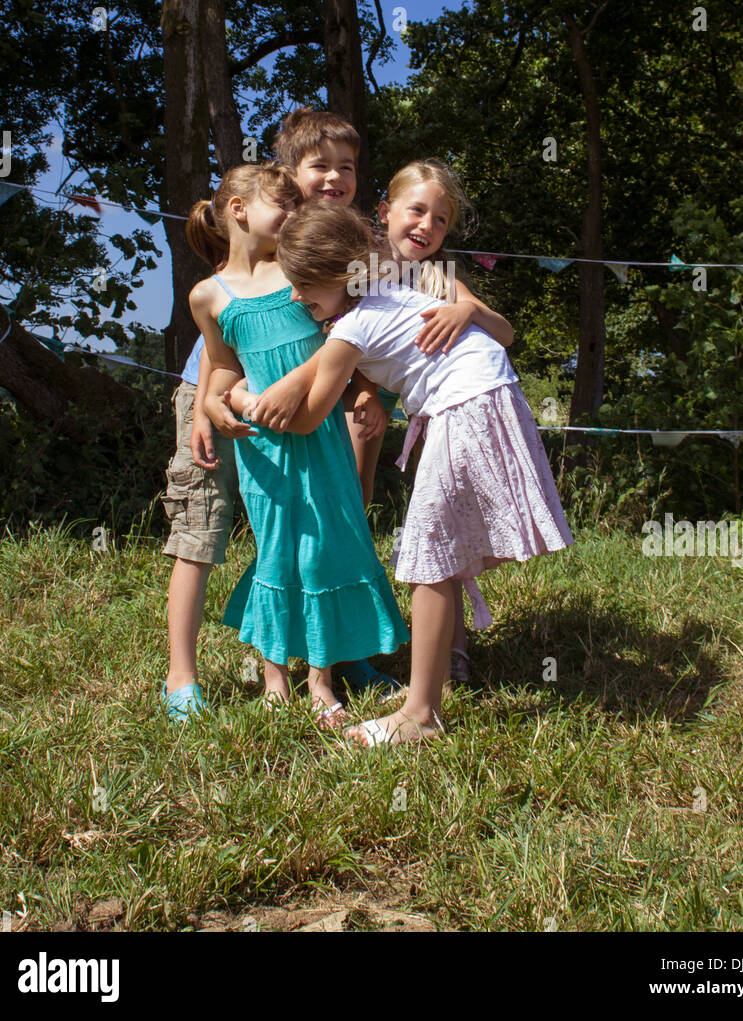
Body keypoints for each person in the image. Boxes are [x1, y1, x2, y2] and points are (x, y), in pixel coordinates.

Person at [240, 201, 574, 747]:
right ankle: (432, 683)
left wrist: (245, 401)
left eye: (303, 285)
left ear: (336, 277)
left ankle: (421, 715)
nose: (296, 297)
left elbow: (305, 420)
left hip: (465, 402)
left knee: (430, 556)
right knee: (435, 552)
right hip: (488, 392)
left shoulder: (351, 327)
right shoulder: (383, 293)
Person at [189, 163, 408, 727]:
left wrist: (365, 393)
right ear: (238, 209)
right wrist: (215, 407)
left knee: (327, 543)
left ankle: (323, 678)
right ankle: (274, 679)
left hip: (320, 433)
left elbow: (344, 338)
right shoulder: (207, 296)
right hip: (262, 444)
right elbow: (218, 368)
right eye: (280, 203)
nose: (292, 214)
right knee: (277, 548)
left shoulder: (297, 274)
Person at [271, 106, 404, 696]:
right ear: (289, 171)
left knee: (352, 518)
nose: (334, 178)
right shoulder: (277, 242)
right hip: (295, 410)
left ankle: (350, 651)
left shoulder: (363, 245)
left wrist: (370, 392)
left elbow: (365, 332)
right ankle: (296, 655)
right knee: (301, 532)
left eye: (345, 167)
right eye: (319, 165)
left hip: (348, 404)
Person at [369, 158, 515, 686]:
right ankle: (387, 643)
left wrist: (468, 311)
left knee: (442, 538)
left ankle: (453, 652)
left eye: (441, 220)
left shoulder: (439, 277)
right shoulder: (359, 266)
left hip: (452, 414)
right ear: (385, 211)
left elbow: (506, 333)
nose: (426, 227)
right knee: (432, 535)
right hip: (391, 406)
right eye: (417, 211)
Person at [160, 315, 239, 722]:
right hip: (211, 393)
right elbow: (218, 322)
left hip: (285, 392)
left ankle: (335, 654)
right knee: (199, 528)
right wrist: (206, 410)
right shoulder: (250, 256)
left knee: (298, 528)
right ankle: (180, 677)